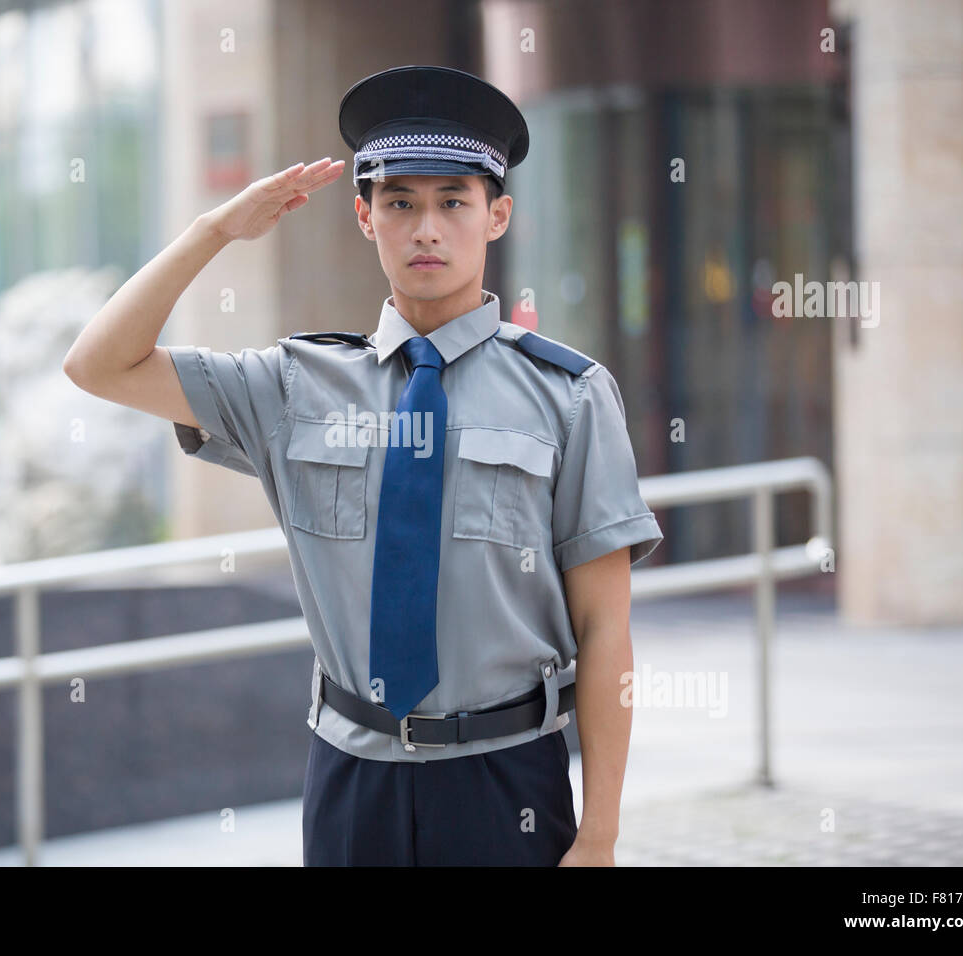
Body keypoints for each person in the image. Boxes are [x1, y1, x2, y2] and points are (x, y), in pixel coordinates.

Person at [63, 65, 662, 867]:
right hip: (351, 783)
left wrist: (601, 835)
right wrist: (214, 230)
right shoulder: (293, 386)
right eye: (400, 203)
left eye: (453, 201)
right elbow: (98, 365)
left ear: (497, 216)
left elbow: (606, 629)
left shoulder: (571, 397)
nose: (426, 229)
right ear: (363, 215)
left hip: (506, 785)